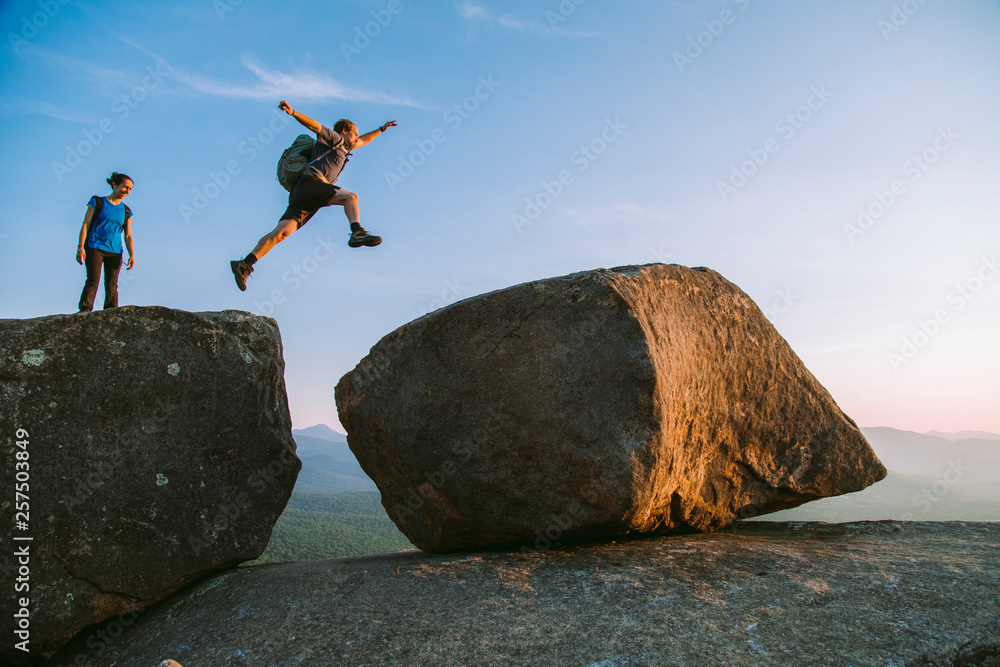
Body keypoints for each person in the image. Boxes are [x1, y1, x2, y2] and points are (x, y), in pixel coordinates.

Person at [230, 100, 397, 291]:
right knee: (351, 197)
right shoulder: (334, 138)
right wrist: (293, 113)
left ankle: (245, 264)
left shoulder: (346, 148)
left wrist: (381, 129)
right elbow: (314, 125)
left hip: (301, 194)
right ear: (344, 130)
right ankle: (357, 232)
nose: (357, 138)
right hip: (312, 182)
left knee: (281, 233)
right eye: (354, 134)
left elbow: (365, 140)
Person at [76, 172, 135, 312]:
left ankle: (111, 312)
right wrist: (80, 248)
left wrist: (131, 254)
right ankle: (85, 310)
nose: (127, 191)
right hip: (95, 247)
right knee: (92, 280)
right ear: (115, 185)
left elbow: (128, 235)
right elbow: (85, 224)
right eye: (125, 187)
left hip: (115, 251)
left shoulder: (126, 211)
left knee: (112, 285)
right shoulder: (97, 202)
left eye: (130, 189)